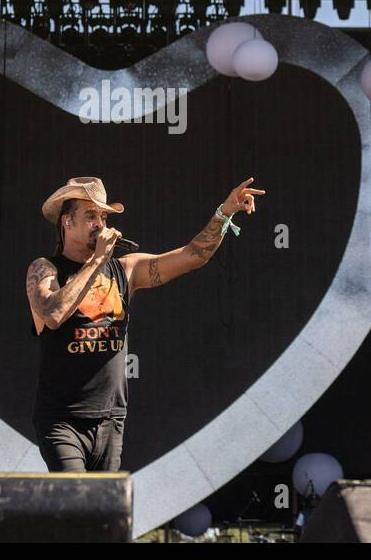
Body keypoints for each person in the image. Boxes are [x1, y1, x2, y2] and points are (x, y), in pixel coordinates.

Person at [25, 175, 265, 472]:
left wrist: (223, 213)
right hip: (62, 419)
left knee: (103, 511)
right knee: (76, 500)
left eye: (103, 216)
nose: (100, 223)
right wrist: (96, 261)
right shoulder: (45, 269)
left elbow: (192, 256)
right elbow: (53, 314)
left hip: (111, 417)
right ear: (67, 222)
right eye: (90, 215)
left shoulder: (126, 269)